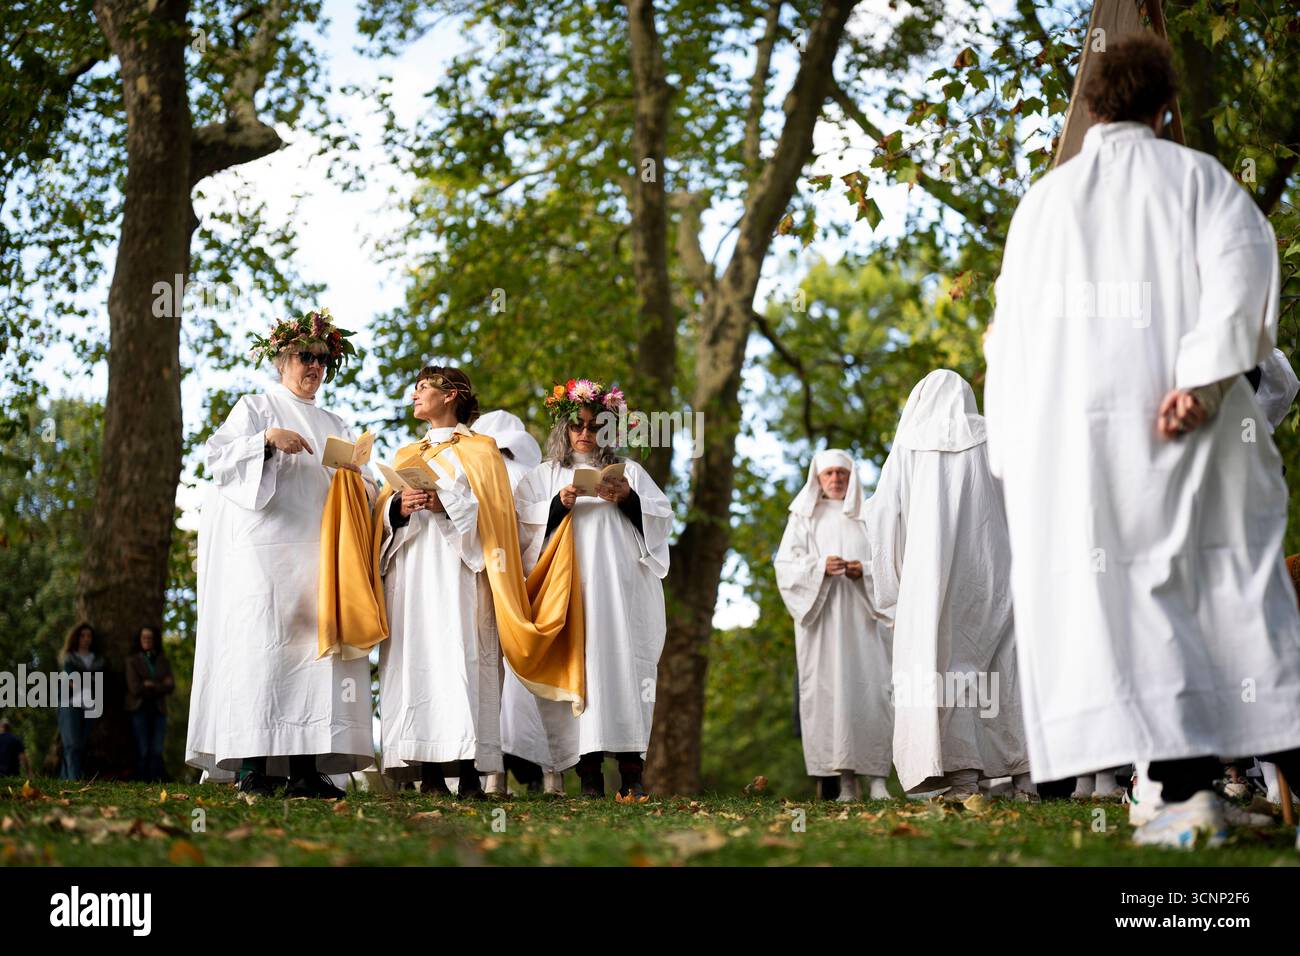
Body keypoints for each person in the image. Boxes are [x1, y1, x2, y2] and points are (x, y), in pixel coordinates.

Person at [984, 34, 1300, 847]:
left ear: (1091, 107)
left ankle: (1189, 798)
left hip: (1084, 453)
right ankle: (1193, 796)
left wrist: (1018, 453)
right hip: (1188, 433)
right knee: (1232, 599)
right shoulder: (1198, 180)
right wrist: (1199, 381)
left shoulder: (1043, 206)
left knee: (1133, 607)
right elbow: (1244, 275)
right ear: (1167, 107)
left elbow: (1008, 342)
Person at [186, 309, 375, 798]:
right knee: (262, 655)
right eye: (304, 357)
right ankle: (252, 767)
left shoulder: (335, 421)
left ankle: (307, 771)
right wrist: (266, 441)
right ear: (281, 360)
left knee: (315, 660)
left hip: (322, 557)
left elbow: (362, 487)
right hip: (265, 557)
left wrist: (363, 481)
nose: (313, 366)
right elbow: (219, 458)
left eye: (322, 360)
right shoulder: (255, 406)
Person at [863, 371, 1034, 802]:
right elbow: (1026, 501)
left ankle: (964, 782)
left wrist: (894, 587)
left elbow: (883, 516)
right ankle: (1025, 779)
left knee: (948, 672)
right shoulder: (994, 436)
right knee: (1004, 667)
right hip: (996, 574)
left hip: (933, 582)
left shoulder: (909, 446)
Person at [513, 380, 672, 798]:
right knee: (581, 676)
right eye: (577, 426)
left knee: (624, 675)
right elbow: (519, 531)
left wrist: (628, 499)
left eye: (595, 426)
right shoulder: (542, 477)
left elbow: (660, 523)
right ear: (564, 429)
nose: (585, 434)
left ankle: (633, 776)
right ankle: (588, 778)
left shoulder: (631, 471)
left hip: (623, 596)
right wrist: (556, 506)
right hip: (570, 596)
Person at [375, 367, 502, 800]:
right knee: (417, 662)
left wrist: (444, 503)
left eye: (423, 388)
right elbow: (380, 520)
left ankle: (467, 772)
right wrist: (399, 508)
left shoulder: (482, 450)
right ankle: (427, 773)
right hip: (411, 574)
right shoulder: (406, 455)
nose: (414, 396)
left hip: (458, 574)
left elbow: (495, 515)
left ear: (450, 396)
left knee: (460, 660)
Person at [776, 449, 894, 802]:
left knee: (873, 693)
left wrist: (865, 571)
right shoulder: (803, 517)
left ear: (851, 476)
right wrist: (818, 569)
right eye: (828, 474)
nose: (835, 480)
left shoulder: (870, 516)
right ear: (818, 478)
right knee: (832, 697)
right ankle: (844, 782)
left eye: (841, 474)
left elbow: (892, 564)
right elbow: (786, 566)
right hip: (823, 624)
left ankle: (878, 780)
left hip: (866, 622)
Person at [473, 410, 557, 797]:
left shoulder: (523, 476)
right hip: (506, 581)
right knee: (506, 680)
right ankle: (511, 774)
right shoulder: (528, 475)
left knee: (511, 682)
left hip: (511, 583)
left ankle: (505, 776)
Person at [125, 625, 175, 781]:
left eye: (150, 637)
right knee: (143, 747)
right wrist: (159, 684)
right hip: (139, 708)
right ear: (139, 640)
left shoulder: (162, 660)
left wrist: (150, 684)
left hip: (158, 709)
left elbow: (170, 685)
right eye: (144, 637)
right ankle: (142, 779)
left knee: (157, 748)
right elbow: (135, 688)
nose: (147, 640)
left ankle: (155, 779)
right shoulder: (132, 660)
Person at [58, 622, 105, 780]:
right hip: (69, 704)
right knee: (72, 745)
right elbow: (72, 680)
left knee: (81, 744)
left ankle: (68, 778)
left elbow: (100, 682)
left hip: (90, 705)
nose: (86, 639)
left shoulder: (98, 660)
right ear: (76, 638)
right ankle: (73, 780)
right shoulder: (69, 658)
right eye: (82, 635)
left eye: (88, 636)